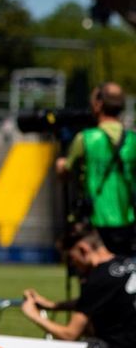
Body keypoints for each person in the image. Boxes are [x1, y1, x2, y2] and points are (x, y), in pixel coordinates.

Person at [22, 223, 136, 348]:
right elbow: (98, 300)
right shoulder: (127, 264)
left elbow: (69, 334)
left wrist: (34, 316)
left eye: (71, 259)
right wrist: (54, 305)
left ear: (82, 249)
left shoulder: (98, 278)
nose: (73, 265)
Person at [56, 82, 136, 256]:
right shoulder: (132, 140)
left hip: (95, 222)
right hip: (127, 220)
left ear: (98, 104)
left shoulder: (86, 138)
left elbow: (66, 173)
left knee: (96, 276)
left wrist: (61, 165)